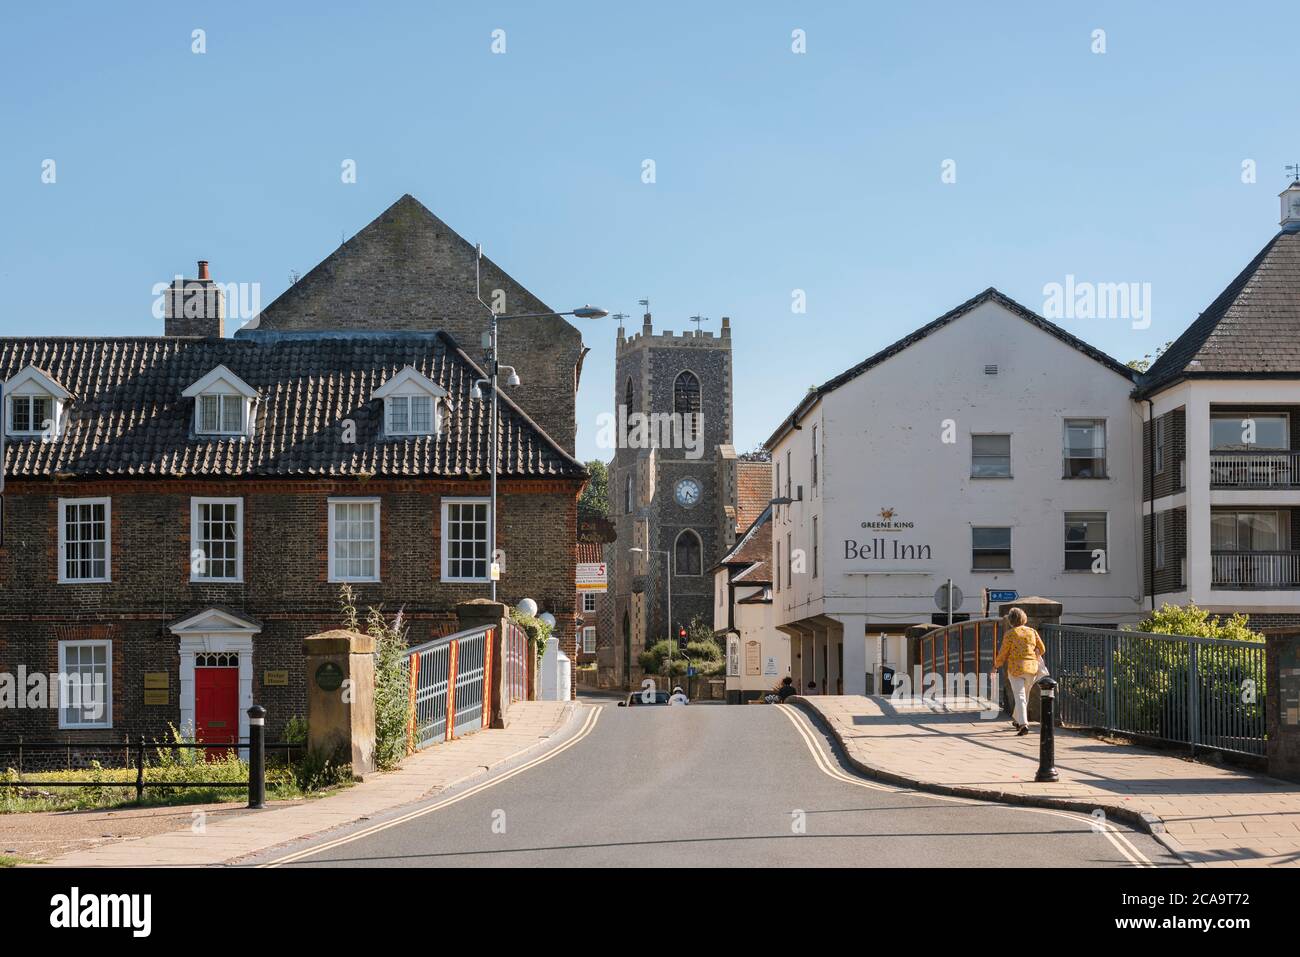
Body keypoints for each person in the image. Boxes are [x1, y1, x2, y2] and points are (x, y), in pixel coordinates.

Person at [993, 608, 1045, 736]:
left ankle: (1023, 724)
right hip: (1031, 669)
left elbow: (1003, 653)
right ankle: (1017, 720)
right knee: (1024, 696)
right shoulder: (1032, 631)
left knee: (1020, 696)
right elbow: (1042, 648)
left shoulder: (1010, 634)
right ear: (1024, 618)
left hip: (1016, 669)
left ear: (1010, 621)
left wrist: (995, 666)